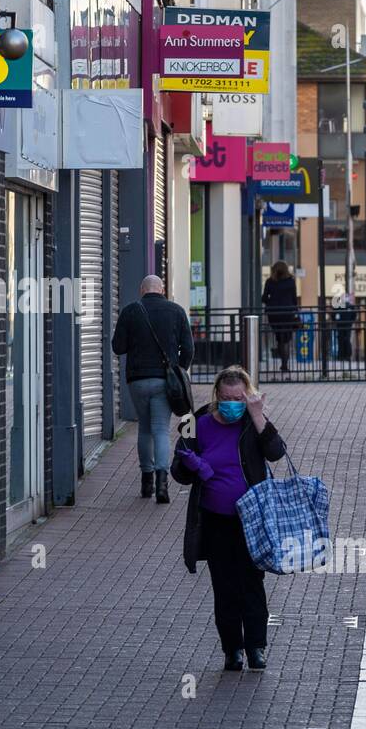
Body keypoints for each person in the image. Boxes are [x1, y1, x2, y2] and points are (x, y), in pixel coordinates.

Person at [171, 364, 286, 671]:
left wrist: (258, 414)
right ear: (216, 395)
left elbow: (276, 452)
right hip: (215, 517)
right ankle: (232, 649)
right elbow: (178, 469)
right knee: (224, 585)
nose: (232, 404)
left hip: (252, 518)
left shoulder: (252, 421)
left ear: (247, 396)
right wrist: (192, 465)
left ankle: (256, 647)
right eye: (226, 398)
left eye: (239, 398)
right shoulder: (196, 421)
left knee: (252, 583)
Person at [112, 274, 194, 504]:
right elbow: (188, 348)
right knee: (160, 429)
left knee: (144, 429)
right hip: (164, 381)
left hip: (137, 380)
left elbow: (118, 347)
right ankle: (162, 485)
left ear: (142, 290)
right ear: (162, 289)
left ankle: (146, 481)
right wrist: (179, 370)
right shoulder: (176, 311)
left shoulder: (130, 311)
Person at [262, 260, 300, 372]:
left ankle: (282, 361)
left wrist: (271, 301)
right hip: (288, 313)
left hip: (274, 313)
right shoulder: (291, 281)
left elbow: (264, 298)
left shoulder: (270, 281)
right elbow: (294, 298)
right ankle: (285, 364)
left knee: (279, 338)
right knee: (286, 340)